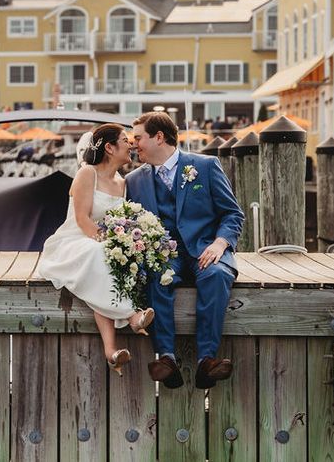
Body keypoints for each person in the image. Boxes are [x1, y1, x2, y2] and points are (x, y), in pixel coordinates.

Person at [126, 111, 243, 390]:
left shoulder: (204, 166)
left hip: (206, 248)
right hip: (165, 254)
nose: (133, 145)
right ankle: (166, 358)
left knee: (215, 275)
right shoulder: (134, 181)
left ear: (159, 137)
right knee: (154, 274)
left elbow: (233, 214)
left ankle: (207, 361)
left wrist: (220, 243)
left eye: (138, 138)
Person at [37, 123, 155, 375]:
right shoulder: (87, 173)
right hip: (74, 240)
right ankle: (133, 317)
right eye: (125, 140)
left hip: (102, 245)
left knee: (106, 263)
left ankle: (111, 351)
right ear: (110, 147)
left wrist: (120, 244)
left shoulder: (123, 183)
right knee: (102, 257)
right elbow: (82, 219)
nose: (131, 144)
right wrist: (110, 245)